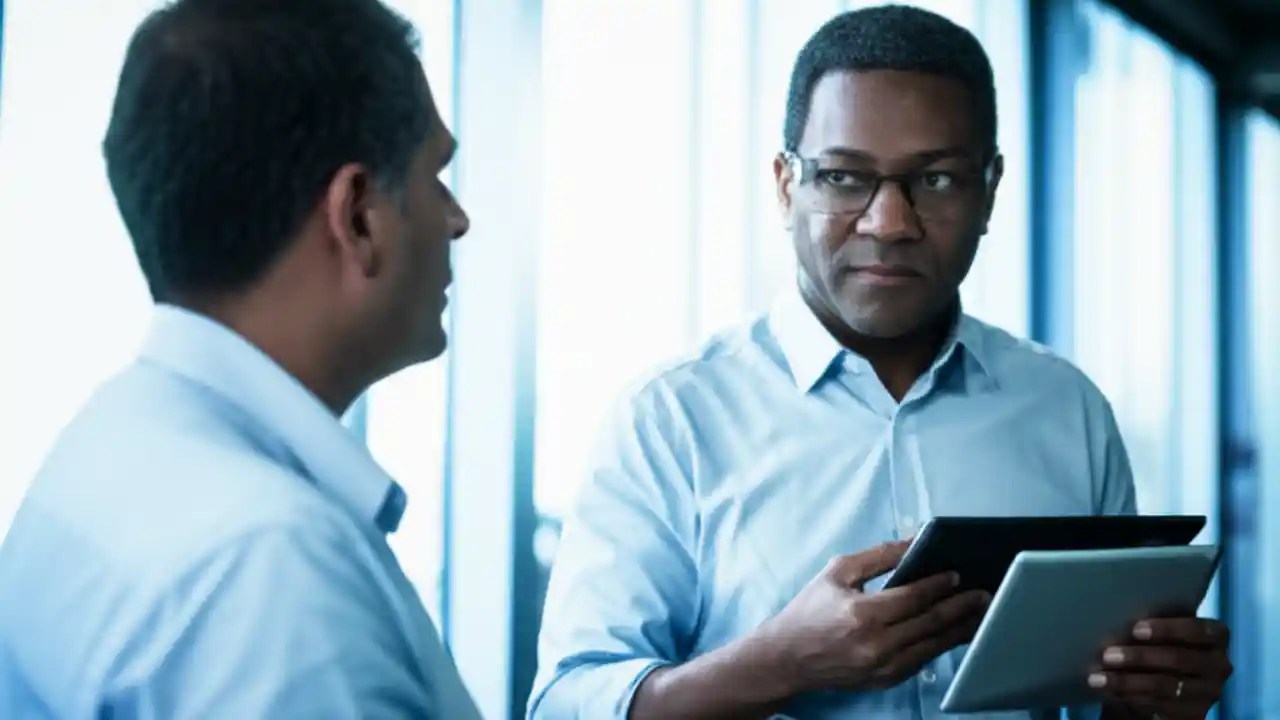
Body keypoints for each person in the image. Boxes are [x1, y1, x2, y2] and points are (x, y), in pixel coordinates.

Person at [529, 6, 1232, 720]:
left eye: (936, 181)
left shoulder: (1067, 410)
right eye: (842, 178)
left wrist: (1159, 697)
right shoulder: (672, 420)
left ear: (989, 189)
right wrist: (781, 662)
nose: (889, 223)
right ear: (784, 185)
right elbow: (564, 704)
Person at [0, 0, 475, 717]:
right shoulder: (273, 575)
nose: (456, 218)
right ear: (355, 216)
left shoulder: (111, 443)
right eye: (434, 175)